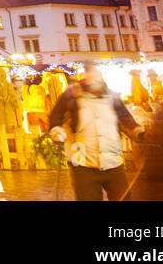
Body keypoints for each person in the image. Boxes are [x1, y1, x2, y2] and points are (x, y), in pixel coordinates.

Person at [47, 63, 144, 201]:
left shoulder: (111, 96)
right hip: (82, 164)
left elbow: (126, 119)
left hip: (113, 162)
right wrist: (57, 131)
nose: (92, 77)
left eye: (95, 74)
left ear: (100, 76)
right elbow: (55, 118)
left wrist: (139, 133)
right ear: (84, 76)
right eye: (89, 73)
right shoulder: (71, 95)